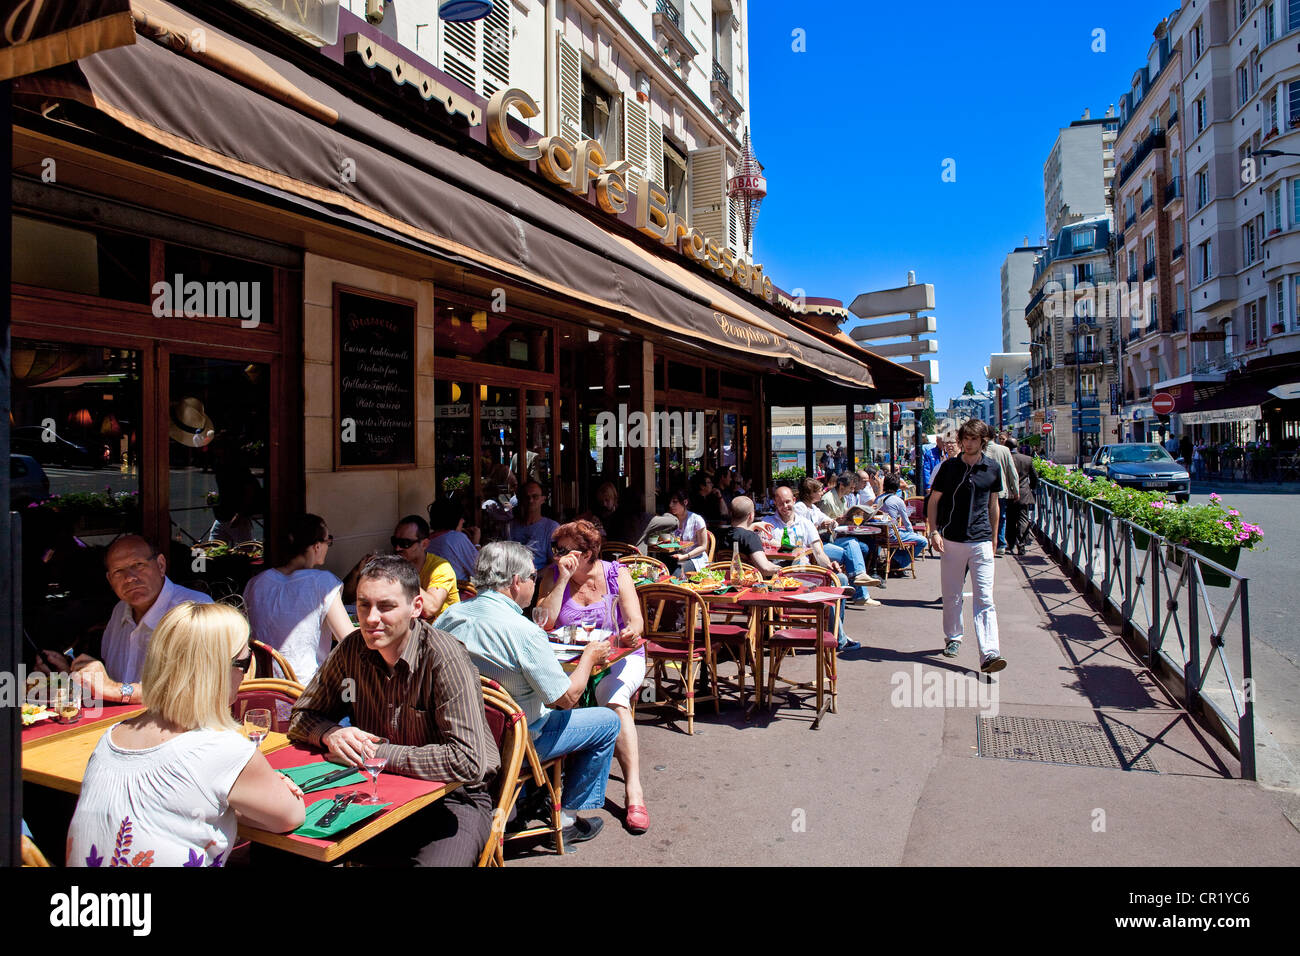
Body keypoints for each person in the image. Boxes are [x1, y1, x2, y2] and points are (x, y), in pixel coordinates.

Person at [288, 554, 499, 866]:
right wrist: (330, 733)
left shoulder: (444, 658)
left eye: (385, 606)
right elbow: (302, 716)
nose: (371, 618)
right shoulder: (352, 650)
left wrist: (374, 753)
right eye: (363, 605)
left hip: (452, 798)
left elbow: (467, 763)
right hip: (373, 789)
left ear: (415, 607)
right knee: (285, 847)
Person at [67, 601, 305, 867]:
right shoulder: (222, 748)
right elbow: (290, 816)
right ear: (219, 671)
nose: (249, 672)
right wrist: (263, 788)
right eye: (246, 660)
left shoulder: (110, 737)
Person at [439, 541, 620, 847]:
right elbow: (564, 698)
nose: (534, 585)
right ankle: (568, 819)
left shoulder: (449, 617)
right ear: (515, 582)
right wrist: (589, 658)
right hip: (516, 741)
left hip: (460, 733)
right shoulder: (523, 631)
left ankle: (531, 795)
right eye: (533, 578)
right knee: (606, 721)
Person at [534, 522, 649, 832]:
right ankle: (548, 784)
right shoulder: (552, 575)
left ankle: (633, 791)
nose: (557, 556)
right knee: (546, 699)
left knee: (613, 698)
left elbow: (636, 621)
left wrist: (629, 633)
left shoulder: (616, 573)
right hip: (569, 662)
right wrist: (563, 579)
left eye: (564, 551)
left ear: (587, 553)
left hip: (617, 655)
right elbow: (544, 622)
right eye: (555, 550)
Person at [54, 535, 212, 705]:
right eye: (118, 571)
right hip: (117, 726)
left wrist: (116, 691)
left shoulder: (195, 609)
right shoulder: (120, 610)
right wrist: (72, 673)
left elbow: (188, 689)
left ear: (160, 565)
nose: (129, 577)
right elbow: (110, 682)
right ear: (109, 580)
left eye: (138, 565)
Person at [926, 419, 1005, 673]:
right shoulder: (949, 468)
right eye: (966, 438)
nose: (969, 443)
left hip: (981, 540)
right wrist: (934, 531)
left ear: (983, 440)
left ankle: (990, 653)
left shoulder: (992, 468)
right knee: (952, 595)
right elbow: (934, 501)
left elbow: (994, 504)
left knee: (985, 597)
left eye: (974, 439)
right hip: (951, 540)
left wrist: (994, 537)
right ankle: (953, 638)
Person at [243, 514, 353, 684]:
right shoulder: (323, 582)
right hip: (306, 692)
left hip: (263, 687)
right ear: (317, 546)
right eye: (328, 541)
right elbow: (349, 641)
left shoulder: (256, 583)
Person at [756, 486, 859, 650]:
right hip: (778, 578)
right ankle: (840, 639)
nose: (785, 506)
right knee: (832, 585)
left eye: (788, 502)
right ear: (775, 503)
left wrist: (829, 565)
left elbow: (819, 552)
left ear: (794, 501)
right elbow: (759, 545)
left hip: (805, 574)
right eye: (781, 503)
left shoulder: (805, 523)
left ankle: (834, 632)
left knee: (841, 579)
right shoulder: (767, 524)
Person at [343, 515, 458, 622]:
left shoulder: (440, 568)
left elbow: (430, 609)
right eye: (395, 542)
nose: (397, 548)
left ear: (424, 544)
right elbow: (346, 598)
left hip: (440, 632)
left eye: (405, 543)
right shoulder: (394, 564)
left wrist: (400, 575)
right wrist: (358, 571)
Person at [794, 477, 880, 599]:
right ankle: (860, 594)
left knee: (852, 542)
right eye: (819, 490)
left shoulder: (813, 508)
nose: (822, 492)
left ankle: (860, 576)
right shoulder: (800, 508)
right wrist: (819, 526)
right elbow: (802, 530)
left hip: (822, 542)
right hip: (811, 547)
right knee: (847, 553)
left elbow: (826, 519)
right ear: (810, 493)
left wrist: (832, 522)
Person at [877, 473, 929, 570]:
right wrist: (911, 533)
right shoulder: (898, 500)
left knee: (904, 535)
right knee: (923, 541)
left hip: (879, 536)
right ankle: (900, 562)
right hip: (893, 535)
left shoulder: (878, 499)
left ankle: (896, 559)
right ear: (897, 487)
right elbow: (906, 522)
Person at [722, 496, 782, 577]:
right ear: (751, 516)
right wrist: (787, 570)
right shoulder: (750, 537)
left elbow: (738, 533)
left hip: (725, 581)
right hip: (748, 583)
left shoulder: (720, 535)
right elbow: (765, 569)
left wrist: (753, 526)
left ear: (730, 513)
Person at [508, 479, 559, 570]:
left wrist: (534, 577)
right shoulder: (509, 527)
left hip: (539, 580)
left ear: (543, 499)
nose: (530, 500)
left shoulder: (552, 528)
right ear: (520, 499)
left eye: (535, 496)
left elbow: (556, 562)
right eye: (526, 497)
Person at [427, 498, 480, 581]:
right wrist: (476, 544)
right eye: (461, 517)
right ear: (455, 518)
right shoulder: (456, 538)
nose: (463, 521)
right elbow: (479, 570)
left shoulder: (428, 540)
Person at [985, 430, 1017, 557]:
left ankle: (989, 542)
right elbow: (1012, 471)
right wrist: (1015, 490)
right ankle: (1000, 544)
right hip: (1001, 490)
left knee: (986, 516)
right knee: (1001, 517)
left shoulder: (981, 450)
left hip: (985, 490)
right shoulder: (1004, 450)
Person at [1005, 437, 1038, 556]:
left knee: (1010, 519)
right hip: (1024, 492)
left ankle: (1011, 543)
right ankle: (1022, 544)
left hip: (1009, 493)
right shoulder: (1027, 459)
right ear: (1017, 446)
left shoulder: (1006, 459)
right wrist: (1031, 488)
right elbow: (1035, 477)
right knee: (1023, 519)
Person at [666, 488, 709, 574]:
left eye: (675, 502)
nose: (671, 505)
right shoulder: (671, 519)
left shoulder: (696, 520)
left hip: (695, 558)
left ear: (685, 502)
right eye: (670, 502)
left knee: (676, 575)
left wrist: (685, 556)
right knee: (661, 571)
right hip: (677, 556)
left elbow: (703, 546)